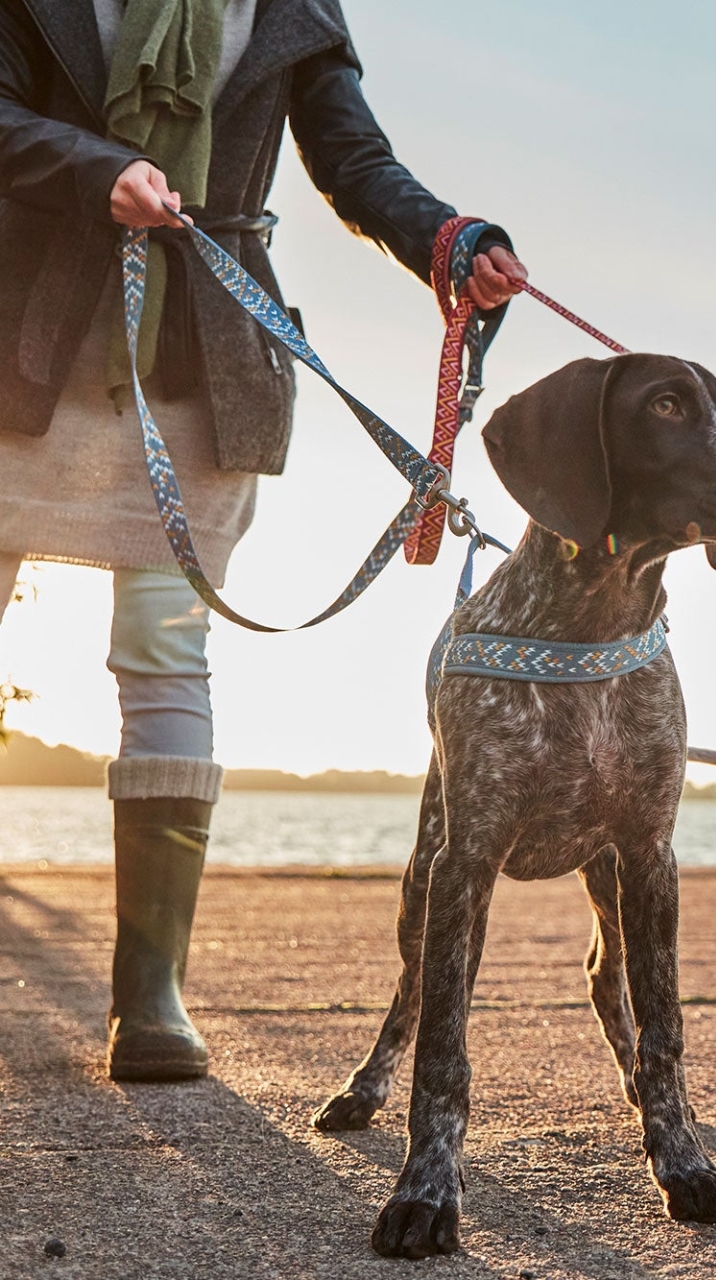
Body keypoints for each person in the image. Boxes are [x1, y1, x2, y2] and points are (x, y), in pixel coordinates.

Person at [0, 0, 524, 1082]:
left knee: (164, 643)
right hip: (24, 339)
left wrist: (451, 238)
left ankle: (150, 997)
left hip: (206, 354)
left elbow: (351, 160)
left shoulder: (290, 7)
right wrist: (96, 165)